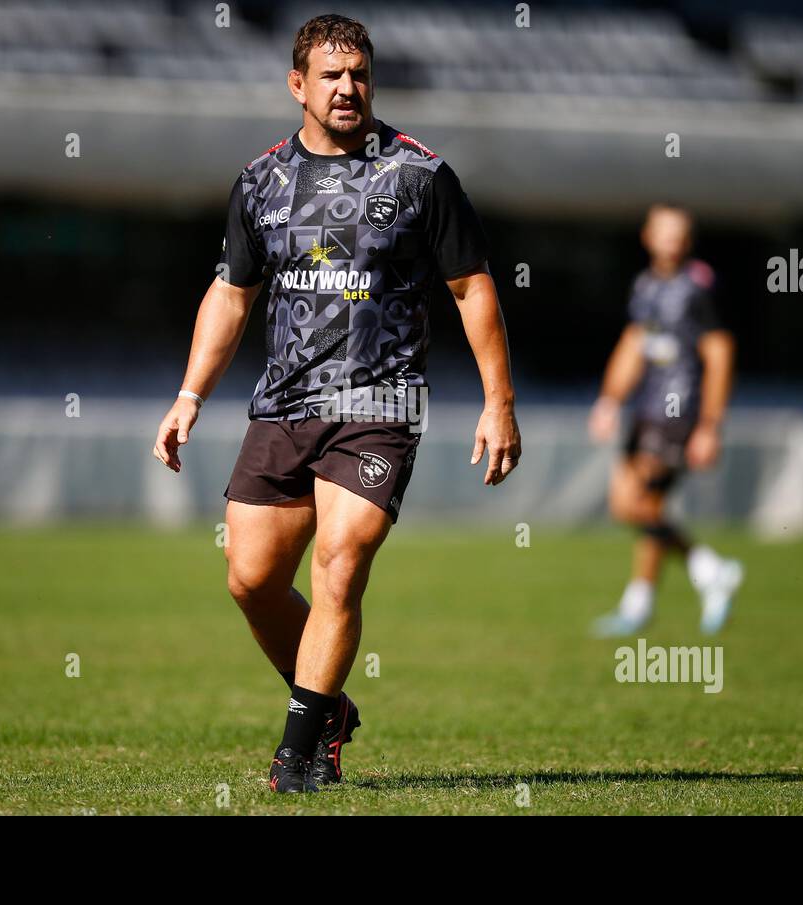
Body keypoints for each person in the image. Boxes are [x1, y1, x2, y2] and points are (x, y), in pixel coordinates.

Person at [152, 14, 521, 792]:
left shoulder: (420, 175)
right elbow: (230, 295)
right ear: (298, 86)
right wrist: (190, 396)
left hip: (380, 403)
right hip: (284, 404)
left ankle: (296, 756)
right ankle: (330, 707)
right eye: (331, 75)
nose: (348, 87)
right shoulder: (259, 182)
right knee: (250, 578)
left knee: (339, 565)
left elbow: (471, 287)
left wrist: (499, 401)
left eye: (359, 74)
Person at [588, 203, 742, 638]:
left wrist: (710, 425)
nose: (672, 239)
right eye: (664, 230)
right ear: (648, 236)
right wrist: (609, 400)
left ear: (688, 240)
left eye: (680, 232)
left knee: (633, 503)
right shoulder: (646, 285)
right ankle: (650, 598)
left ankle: (705, 568)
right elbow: (634, 343)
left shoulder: (698, 286)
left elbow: (719, 351)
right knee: (639, 506)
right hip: (647, 407)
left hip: (680, 408)